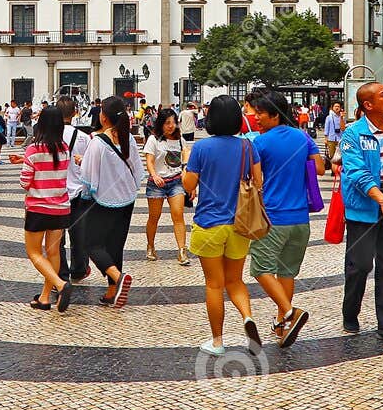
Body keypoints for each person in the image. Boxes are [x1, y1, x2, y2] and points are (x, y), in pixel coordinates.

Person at [181, 95, 264, 355]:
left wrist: (187, 163)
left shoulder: (202, 149)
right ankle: (248, 318)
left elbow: (188, 185)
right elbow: (258, 182)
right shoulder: (248, 147)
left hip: (209, 223)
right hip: (239, 224)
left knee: (214, 284)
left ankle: (217, 341)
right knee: (235, 280)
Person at [246, 89, 321, 347]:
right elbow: (319, 167)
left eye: (260, 114)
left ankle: (290, 312)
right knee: (286, 272)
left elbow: (252, 177)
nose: (257, 118)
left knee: (260, 268)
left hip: (274, 217)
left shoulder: (261, 142)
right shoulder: (302, 136)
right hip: (300, 219)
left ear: (274, 116)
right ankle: (283, 325)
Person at [340, 82, 383, 343]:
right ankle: (351, 310)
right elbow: (356, 172)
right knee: (360, 264)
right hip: (365, 204)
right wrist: (382, 201)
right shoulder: (353, 134)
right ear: (368, 105)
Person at [79, 95, 143, 306]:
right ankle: (112, 291)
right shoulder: (129, 139)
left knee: (91, 243)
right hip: (127, 199)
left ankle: (118, 278)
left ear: (103, 117)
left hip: (104, 200)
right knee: (116, 244)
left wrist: (87, 192)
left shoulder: (97, 143)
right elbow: (138, 171)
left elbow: (89, 177)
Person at [19, 105, 75, 311]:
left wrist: (25, 165)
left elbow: (25, 183)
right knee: (53, 253)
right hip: (60, 208)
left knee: (34, 253)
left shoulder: (33, 150)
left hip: (38, 208)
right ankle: (44, 298)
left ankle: (60, 285)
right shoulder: (65, 150)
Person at [142, 108, 191, 265]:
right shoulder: (154, 140)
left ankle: (182, 250)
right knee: (154, 218)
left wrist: (186, 175)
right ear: (161, 124)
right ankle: (150, 246)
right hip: (157, 183)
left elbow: (185, 160)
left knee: (178, 215)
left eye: (173, 122)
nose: (171, 126)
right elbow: (149, 161)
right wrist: (154, 175)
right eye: (167, 123)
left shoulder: (180, 140)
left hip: (176, 181)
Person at [59, 96, 94, 284]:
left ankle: (61, 272)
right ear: (75, 113)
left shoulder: (50, 135)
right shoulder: (83, 137)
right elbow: (89, 164)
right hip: (79, 192)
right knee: (79, 233)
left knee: (57, 236)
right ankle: (79, 270)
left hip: (56, 193)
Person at [322, 100, 345, 173]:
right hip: (331, 138)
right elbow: (326, 128)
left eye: (338, 106)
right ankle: (333, 170)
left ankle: (339, 169)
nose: (337, 108)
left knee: (340, 155)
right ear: (332, 108)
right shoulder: (329, 117)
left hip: (340, 138)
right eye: (335, 106)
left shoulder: (343, 117)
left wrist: (341, 118)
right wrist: (326, 138)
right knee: (332, 155)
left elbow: (343, 128)